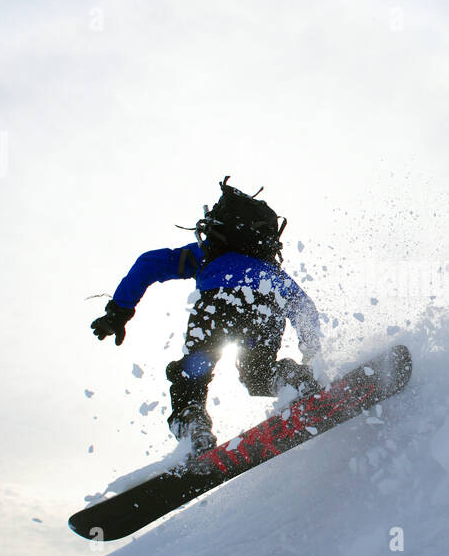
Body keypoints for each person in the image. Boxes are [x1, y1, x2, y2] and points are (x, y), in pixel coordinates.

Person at [90, 178, 322, 454]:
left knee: (195, 371)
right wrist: (313, 354)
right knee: (258, 375)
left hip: (217, 304)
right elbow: (303, 307)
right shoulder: (269, 270)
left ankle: (193, 424)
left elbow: (148, 264)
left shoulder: (207, 254)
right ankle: (292, 379)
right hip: (265, 304)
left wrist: (118, 312)